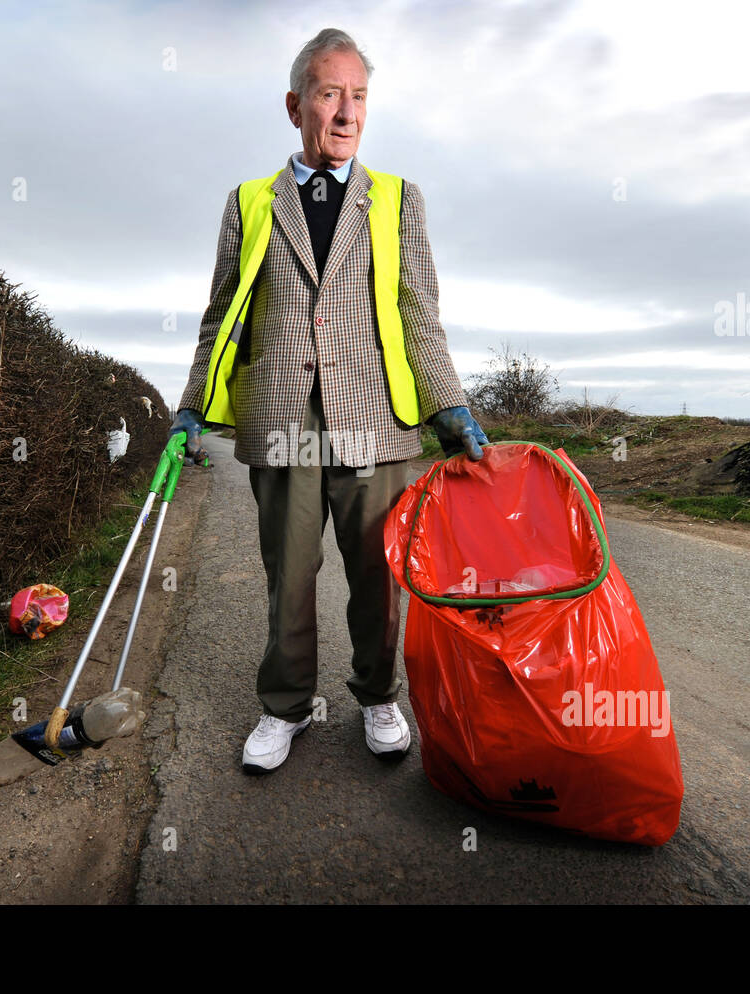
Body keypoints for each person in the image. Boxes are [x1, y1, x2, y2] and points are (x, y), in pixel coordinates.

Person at [170, 28, 488, 773]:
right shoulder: (249, 202)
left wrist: (449, 405)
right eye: (328, 93)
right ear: (295, 105)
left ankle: (379, 697)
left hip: (374, 417)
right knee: (290, 573)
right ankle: (285, 708)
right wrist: (192, 404)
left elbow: (418, 312)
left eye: (359, 96)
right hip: (281, 416)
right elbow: (224, 314)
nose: (346, 112)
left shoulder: (398, 199)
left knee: (377, 572)